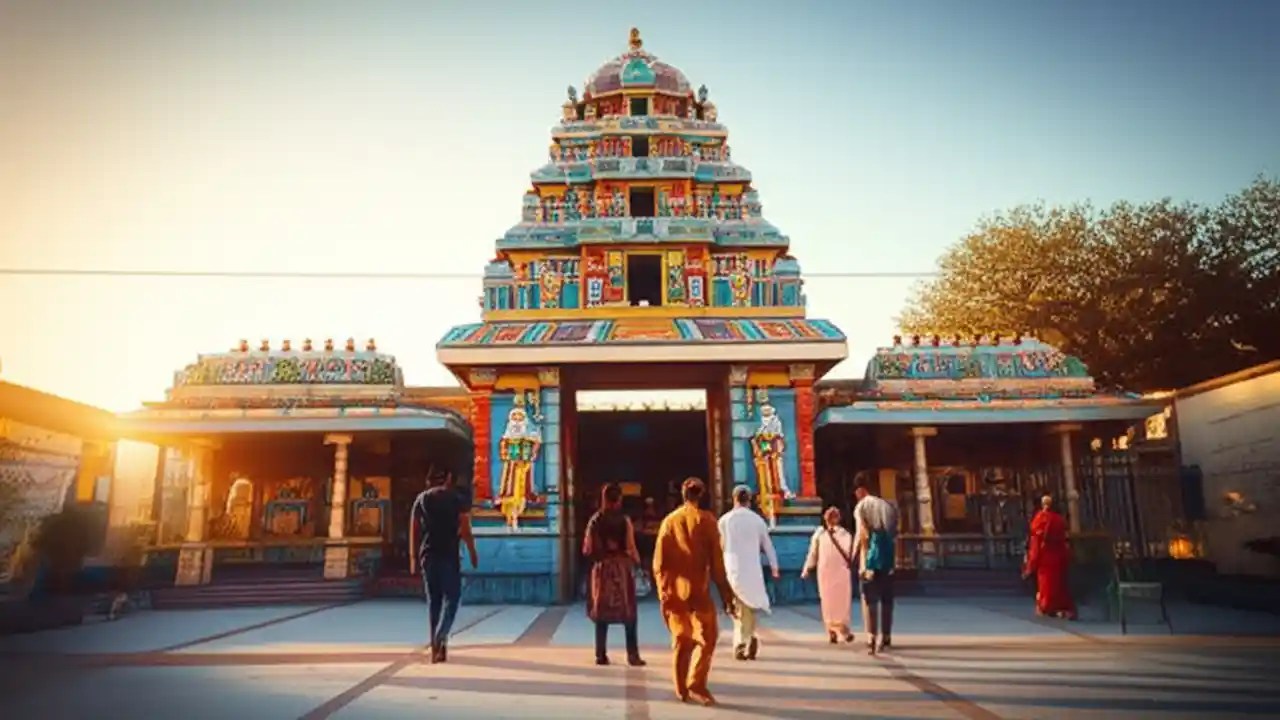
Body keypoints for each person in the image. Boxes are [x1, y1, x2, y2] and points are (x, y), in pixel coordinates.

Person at [653, 477, 736, 706]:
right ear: (702, 495)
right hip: (699, 591)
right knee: (707, 638)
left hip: (675, 590)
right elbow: (718, 565)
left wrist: (663, 591)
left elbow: (658, 562)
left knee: (682, 639)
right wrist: (726, 596)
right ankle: (696, 682)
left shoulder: (669, 522)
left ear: (683, 495)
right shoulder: (708, 521)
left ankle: (681, 687)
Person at [409, 467, 479, 664]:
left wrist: (413, 558)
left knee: (434, 602)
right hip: (449, 555)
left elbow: (413, 530)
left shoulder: (421, 499)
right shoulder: (456, 499)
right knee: (453, 598)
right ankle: (442, 634)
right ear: (448, 478)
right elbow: (465, 528)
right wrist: (472, 552)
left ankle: (436, 649)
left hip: (428, 555)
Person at [583, 483, 646, 667]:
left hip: (601, 570)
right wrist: (638, 563)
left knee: (601, 612)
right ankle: (632, 655)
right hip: (621, 569)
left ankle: (600, 655)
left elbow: (587, 548)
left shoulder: (595, 520)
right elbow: (630, 546)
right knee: (629, 613)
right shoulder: (624, 520)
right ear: (619, 499)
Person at [719, 485, 780, 661]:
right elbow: (768, 546)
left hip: (732, 569)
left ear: (734, 498)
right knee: (748, 608)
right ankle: (748, 637)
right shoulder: (757, 520)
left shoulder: (725, 520)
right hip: (753, 570)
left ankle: (742, 642)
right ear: (749, 500)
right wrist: (774, 567)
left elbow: (719, 545)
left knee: (738, 607)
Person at [854, 478, 899, 655]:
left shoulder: (862, 507)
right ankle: (886, 635)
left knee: (870, 599)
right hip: (888, 559)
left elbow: (862, 535)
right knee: (887, 600)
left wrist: (855, 556)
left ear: (861, 491)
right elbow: (894, 533)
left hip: (870, 561)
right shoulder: (888, 506)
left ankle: (872, 636)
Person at [801, 506, 856, 645]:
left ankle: (835, 629)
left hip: (828, 572)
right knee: (838, 602)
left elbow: (812, 554)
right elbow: (852, 553)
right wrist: (807, 568)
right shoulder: (843, 535)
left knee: (830, 601)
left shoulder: (823, 535)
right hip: (838, 572)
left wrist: (807, 569)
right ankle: (839, 629)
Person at [1023, 494, 1076, 619]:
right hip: (1058, 556)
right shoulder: (1058, 519)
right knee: (1059, 583)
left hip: (1045, 557)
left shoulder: (1039, 519)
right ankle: (1058, 607)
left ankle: (1046, 606)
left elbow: (1036, 540)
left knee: (1046, 584)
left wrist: (1030, 563)